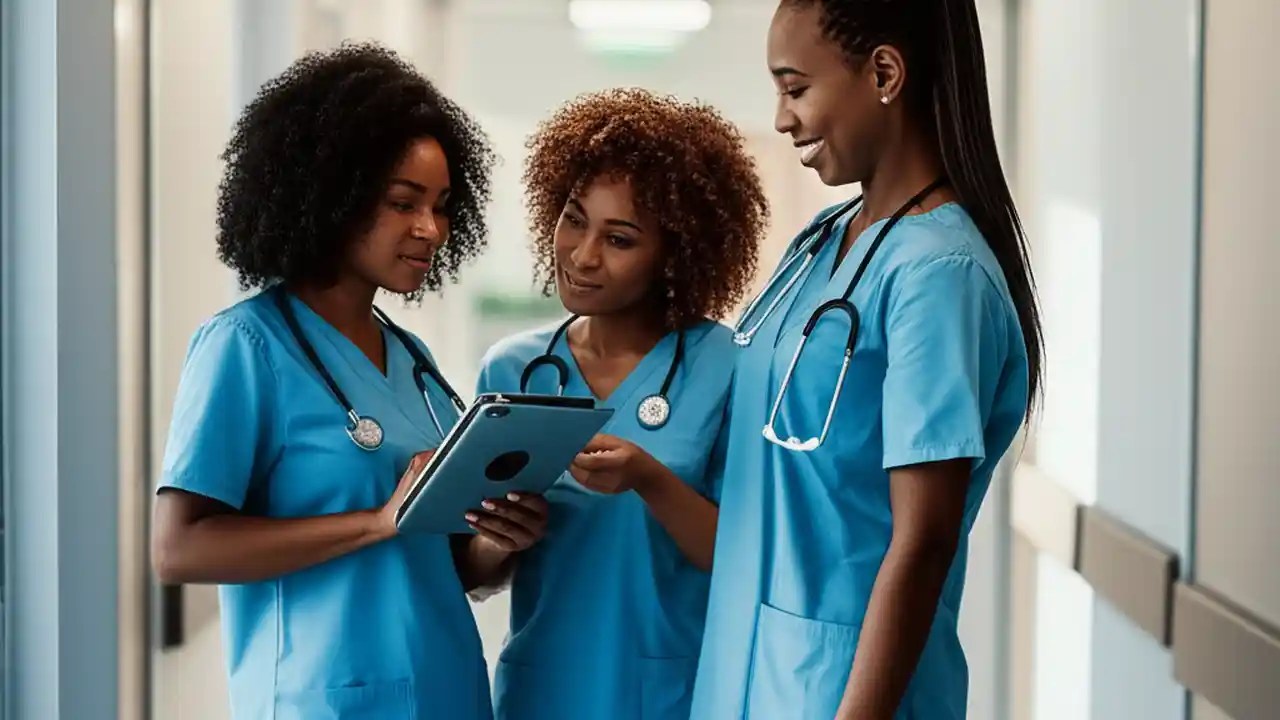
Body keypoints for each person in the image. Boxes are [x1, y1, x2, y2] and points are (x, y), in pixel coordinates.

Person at [150, 43, 547, 720]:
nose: (429, 229)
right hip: (326, 700)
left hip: (445, 688)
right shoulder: (246, 347)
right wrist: (375, 522)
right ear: (331, 193)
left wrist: (496, 542)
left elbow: (440, 565)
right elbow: (178, 549)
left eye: (443, 206)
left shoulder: (412, 359)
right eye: (402, 202)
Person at [690, 1, 1043, 718]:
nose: (783, 119)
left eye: (795, 89)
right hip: (746, 672)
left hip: (843, 694)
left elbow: (925, 540)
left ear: (884, 72)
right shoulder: (823, 240)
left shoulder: (938, 275)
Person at [469, 88, 769, 720]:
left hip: (674, 694)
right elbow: (477, 571)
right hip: (541, 690)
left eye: (620, 238)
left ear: (674, 255)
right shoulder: (513, 370)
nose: (582, 255)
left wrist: (649, 479)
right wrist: (501, 540)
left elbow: (744, 557)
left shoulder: (730, 367)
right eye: (574, 218)